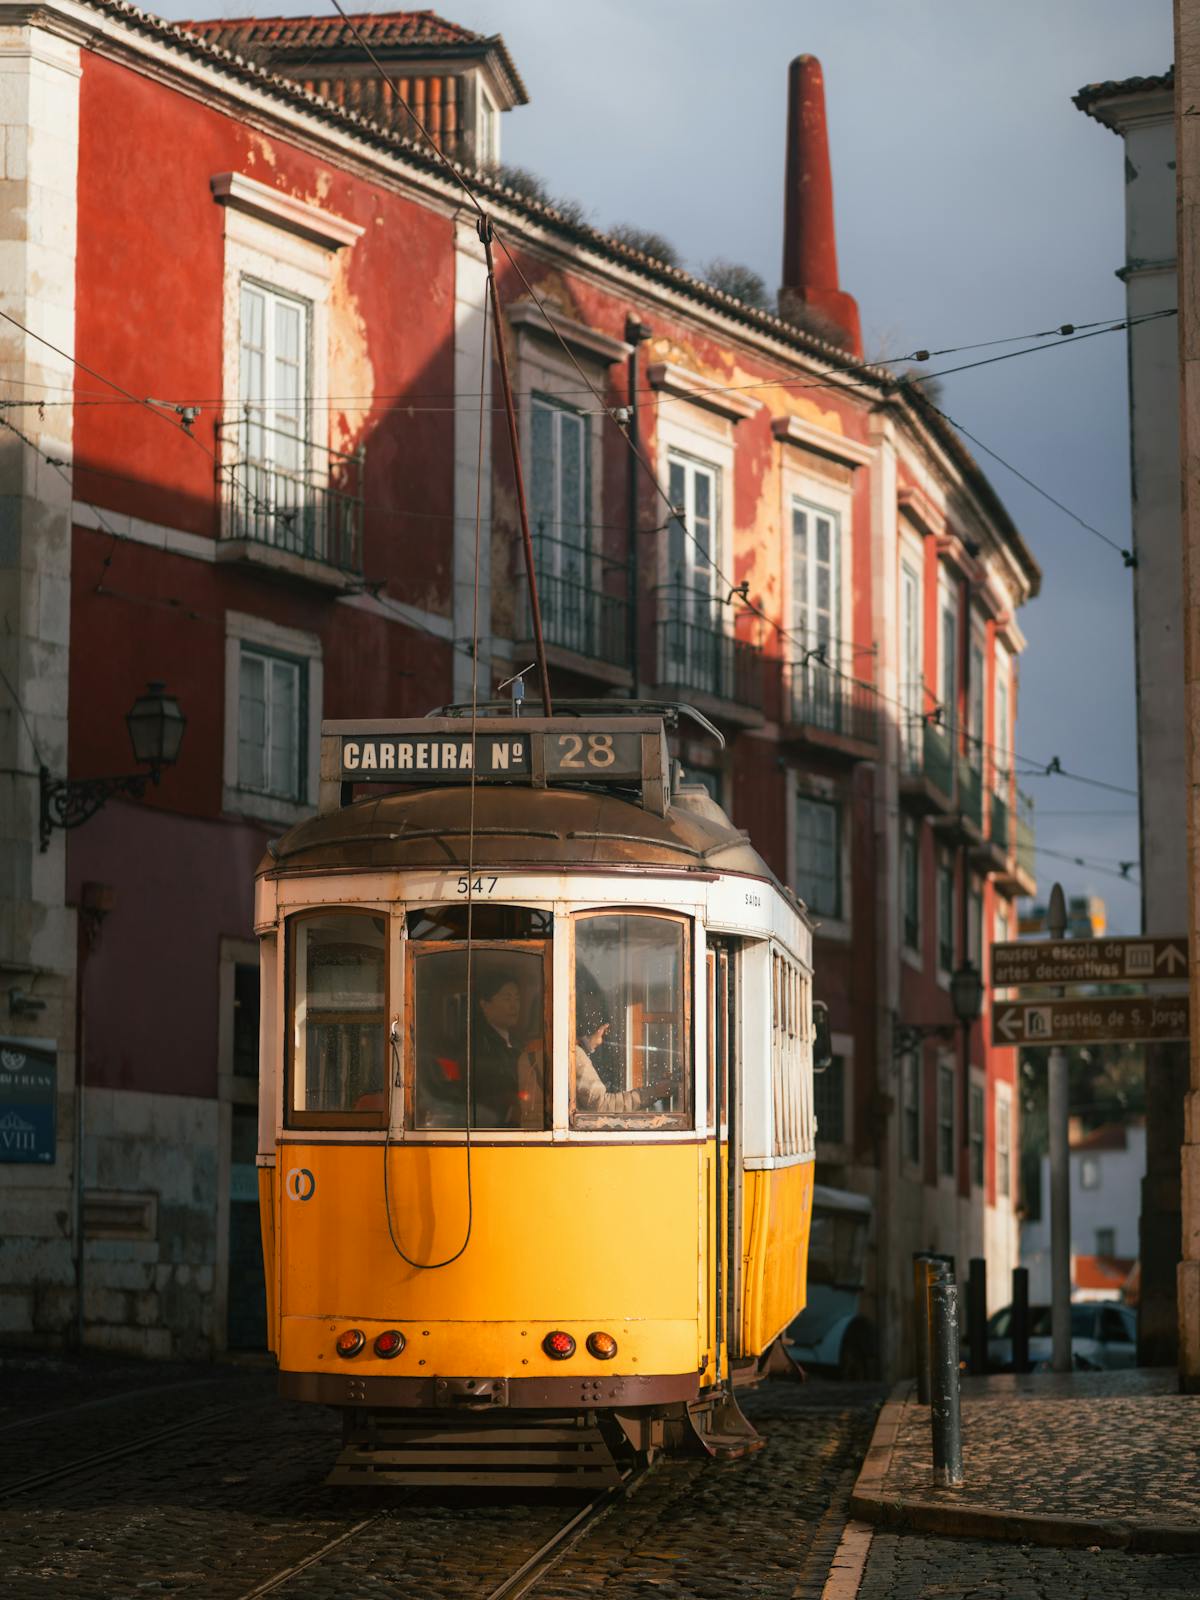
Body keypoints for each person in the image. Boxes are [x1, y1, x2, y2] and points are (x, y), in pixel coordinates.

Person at [574, 998, 673, 1114]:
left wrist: (586, 1045)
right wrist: (654, 1092)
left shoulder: (572, 1052)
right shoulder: (573, 1055)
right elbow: (601, 1106)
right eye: (588, 1015)